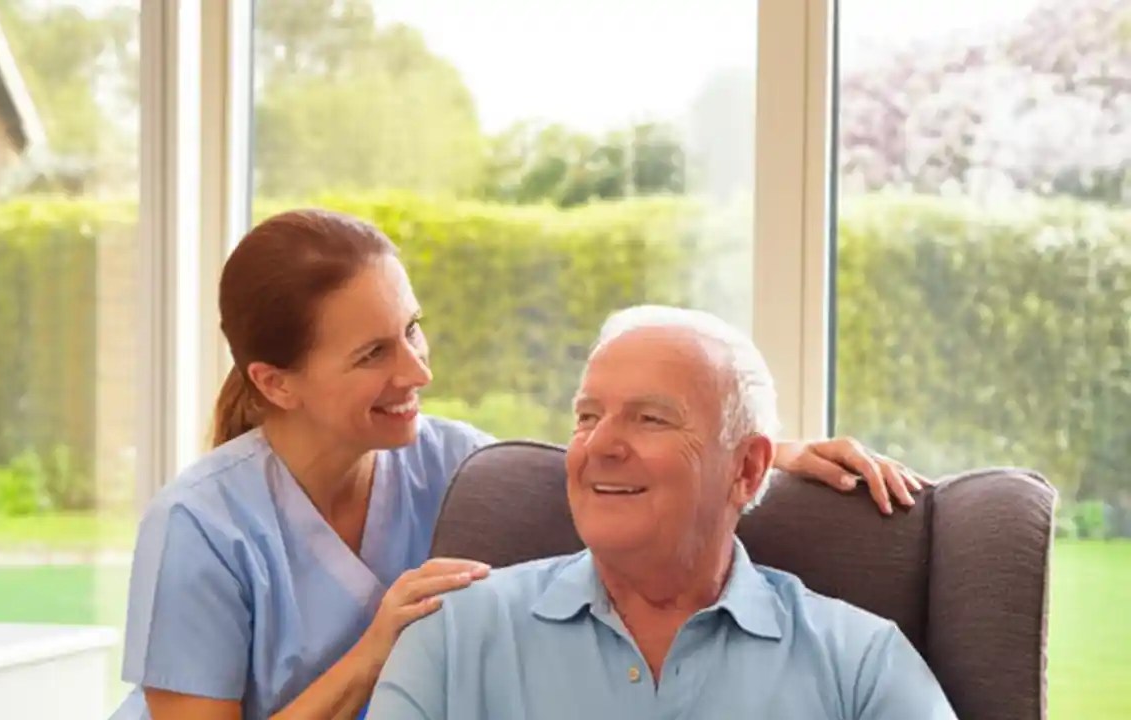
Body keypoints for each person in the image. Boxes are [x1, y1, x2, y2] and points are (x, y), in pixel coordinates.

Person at [111, 210, 931, 720]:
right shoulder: (200, 527)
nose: (418, 369)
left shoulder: (448, 462)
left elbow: (607, 460)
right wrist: (373, 651)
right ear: (275, 383)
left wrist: (768, 452)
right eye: (372, 354)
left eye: (412, 329)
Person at [366, 305, 955, 720]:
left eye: (650, 419)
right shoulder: (453, 635)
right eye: (587, 417)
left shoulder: (860, 662)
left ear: (747, 470)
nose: (600, 445)